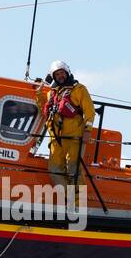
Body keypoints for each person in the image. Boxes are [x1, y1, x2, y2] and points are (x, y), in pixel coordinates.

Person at [36, 60, 95, 198]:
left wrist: (87, 130)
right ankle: (70, 198)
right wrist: (39, 95)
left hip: (74, 138)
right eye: (57, 74)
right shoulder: (52, 94)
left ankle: (79, 203)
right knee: (54, 170)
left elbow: (89, 111)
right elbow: (45, 112)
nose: (60, 76)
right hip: (56, 141)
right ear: (54, 77)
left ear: (67, 72)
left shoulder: (79, 89)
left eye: (62, 73)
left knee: (73, 170)